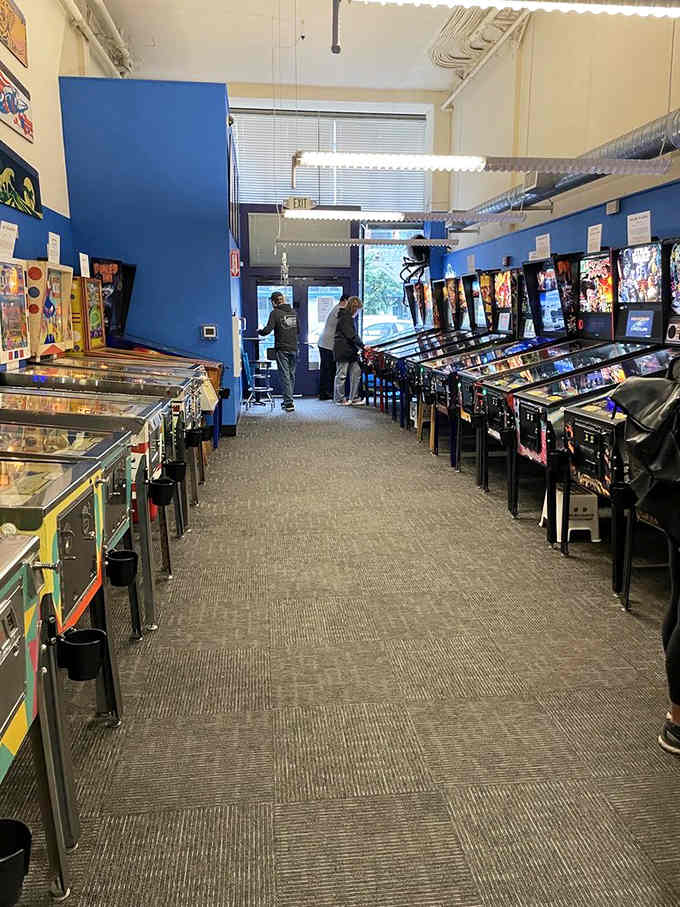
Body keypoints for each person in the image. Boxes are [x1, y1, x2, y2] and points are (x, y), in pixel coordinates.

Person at [258, 291, 298, 412]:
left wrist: (259, 331)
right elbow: (298, 329)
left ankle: (289, 403)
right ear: (283, 300)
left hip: (282, 348)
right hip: (294, 348)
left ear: (273, 302)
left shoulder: (275, 313)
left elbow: (267, 330)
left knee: (285, 375)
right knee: (291, 375)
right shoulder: (293, 312)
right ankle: (288, 400)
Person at [333, 295, 364, 406]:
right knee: (342, 375)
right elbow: (351, 335)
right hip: (343, 350)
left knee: (356, 372)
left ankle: (354, 397)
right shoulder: (345, 317)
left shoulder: (347, 317)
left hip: (350, 350)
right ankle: (339, 399)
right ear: (354, 308)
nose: (358, 312)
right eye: (358, 309)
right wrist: (363, 346)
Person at [317, 295, 348, 400]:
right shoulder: (340, 309)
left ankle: (326, 392)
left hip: (326, 343)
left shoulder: (337, 308)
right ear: (344, 301)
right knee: (328, 370)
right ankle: (325, 393)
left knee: (328, 369)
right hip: (327, 344)